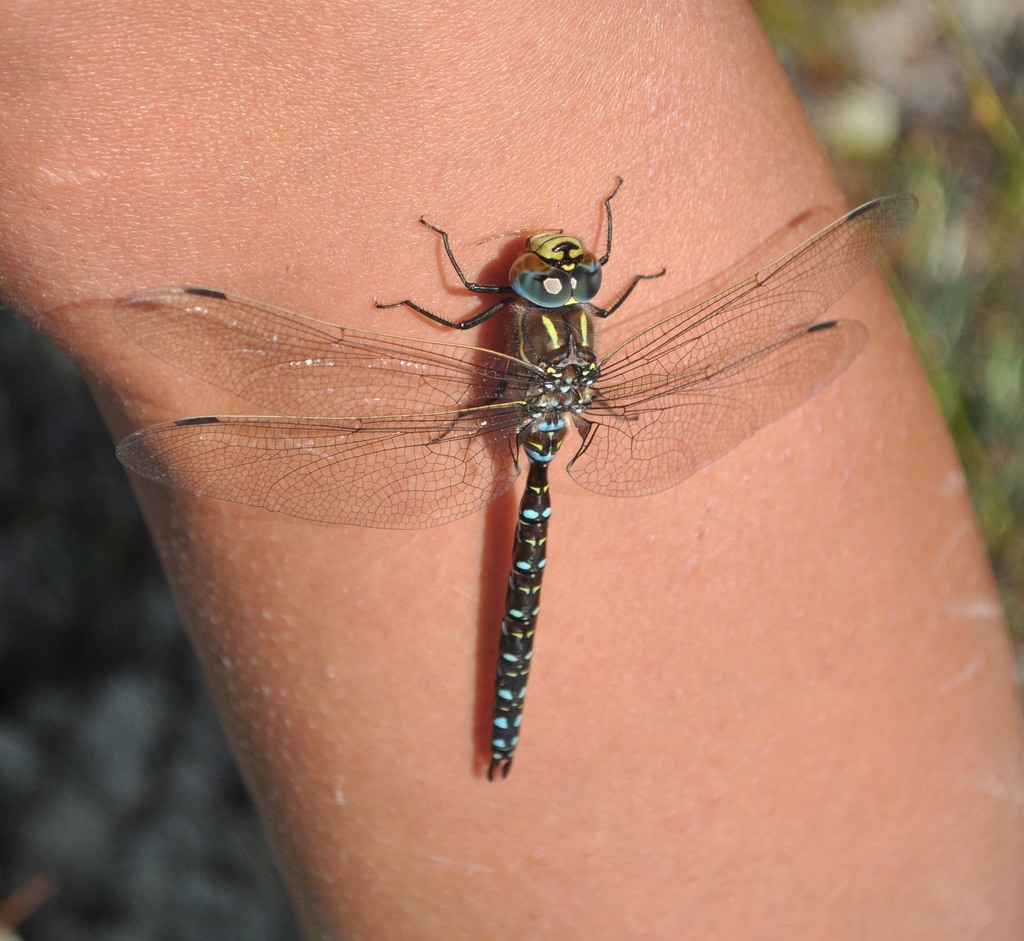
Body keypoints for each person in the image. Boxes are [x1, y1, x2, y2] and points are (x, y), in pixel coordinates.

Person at [3, 2, 1021, 937]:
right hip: (553, 424)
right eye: (554, 274)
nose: (554, 267)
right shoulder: (579, 331)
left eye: (564, 273)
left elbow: (454, 296)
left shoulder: (506, 312)